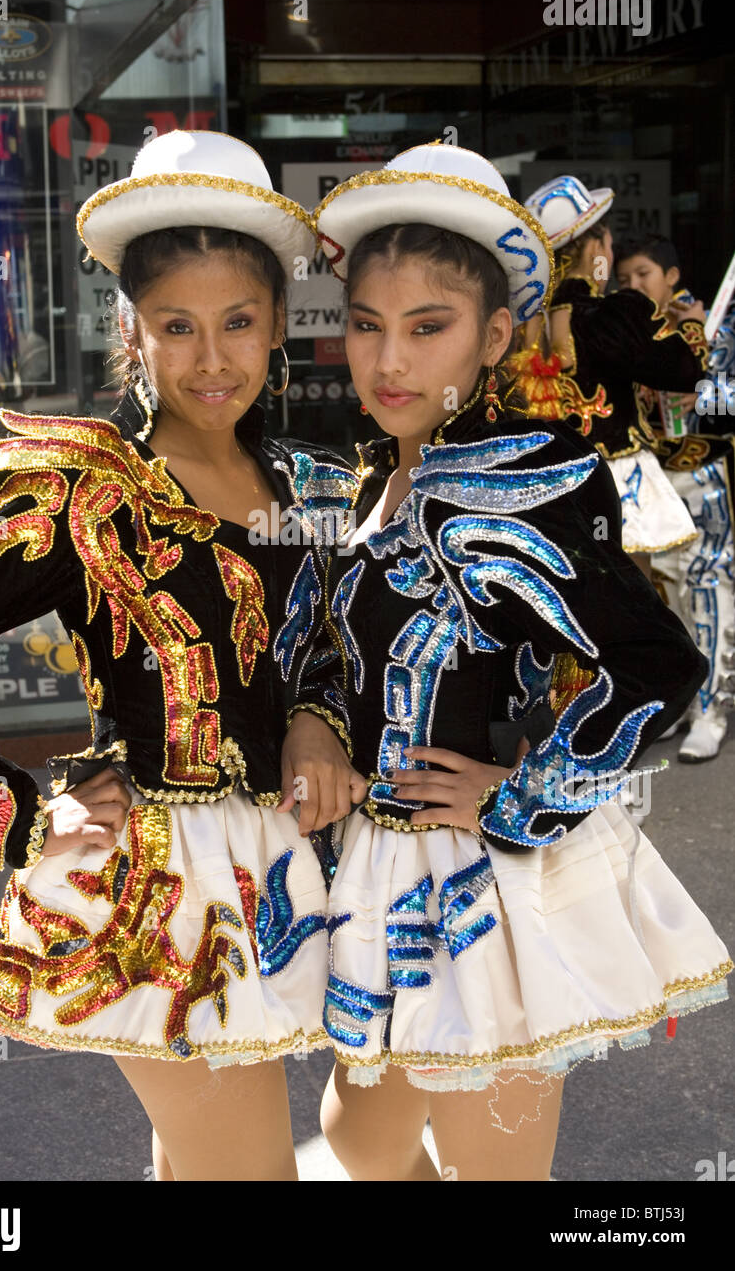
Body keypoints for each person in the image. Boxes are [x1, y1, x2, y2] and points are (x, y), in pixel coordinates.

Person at [0, 130, 365, 1183]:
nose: (211, 358)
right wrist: (14, 817)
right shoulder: (77, 487)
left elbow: (322, 642)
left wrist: (316, 720)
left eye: (237, 322)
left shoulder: (309, 481)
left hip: (277, 870)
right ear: (128, 330)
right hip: (153, 895)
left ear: (278, 322)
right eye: (175, 325)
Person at [279, 141, 732, 1182]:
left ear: (491, 335)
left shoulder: (519, 477)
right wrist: (312, 718)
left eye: (425, 329)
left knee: (490, 1165)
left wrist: (519, 794)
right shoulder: (370, 478)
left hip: (480, 880)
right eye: (364, 326)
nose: (388, 363)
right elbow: (336, 647)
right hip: (378, 861)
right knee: (359, 1135)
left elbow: (656, 667)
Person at [506, 174, 708, 581]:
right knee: (631, 604)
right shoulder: (611, 315)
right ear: (596, 246)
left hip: (543, 485)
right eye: (610, 246)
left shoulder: (519, 327)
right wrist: (693, 327)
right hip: (614, 480)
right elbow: (686, 371)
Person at [613, 233, 735, 763]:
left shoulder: (715, 331)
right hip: (654, 482)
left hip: (706, 475)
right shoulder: (629, 335)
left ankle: (713, 709)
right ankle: (682, 703)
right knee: (666, 595)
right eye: (625, 279)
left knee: (708, 589)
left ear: (672, 277)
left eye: (643, 275)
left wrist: (703, 392)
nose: (635, 286)